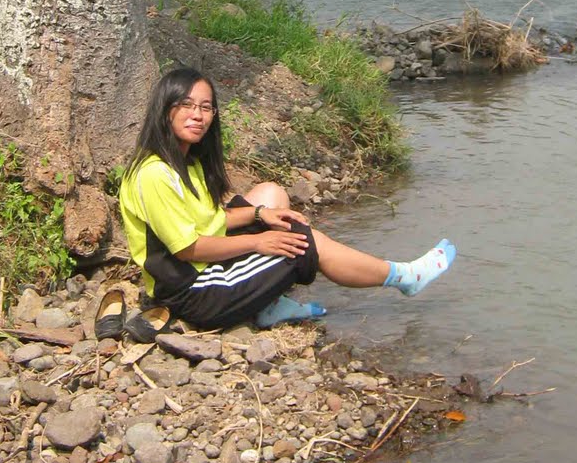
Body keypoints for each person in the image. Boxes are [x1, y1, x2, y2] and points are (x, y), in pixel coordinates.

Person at [118, 66, 455, 333]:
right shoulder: (154, 174)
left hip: (200, 271)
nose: (198, 115)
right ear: (165, 111)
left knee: (271, 197)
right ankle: (404, 277)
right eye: (186, 105)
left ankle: (266, 306)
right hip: (195, 292)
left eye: (206, 107)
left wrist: (260, 215)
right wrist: (259, 242)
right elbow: (188, 248)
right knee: (306, 243)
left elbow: (211, 222)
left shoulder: (186, 164)